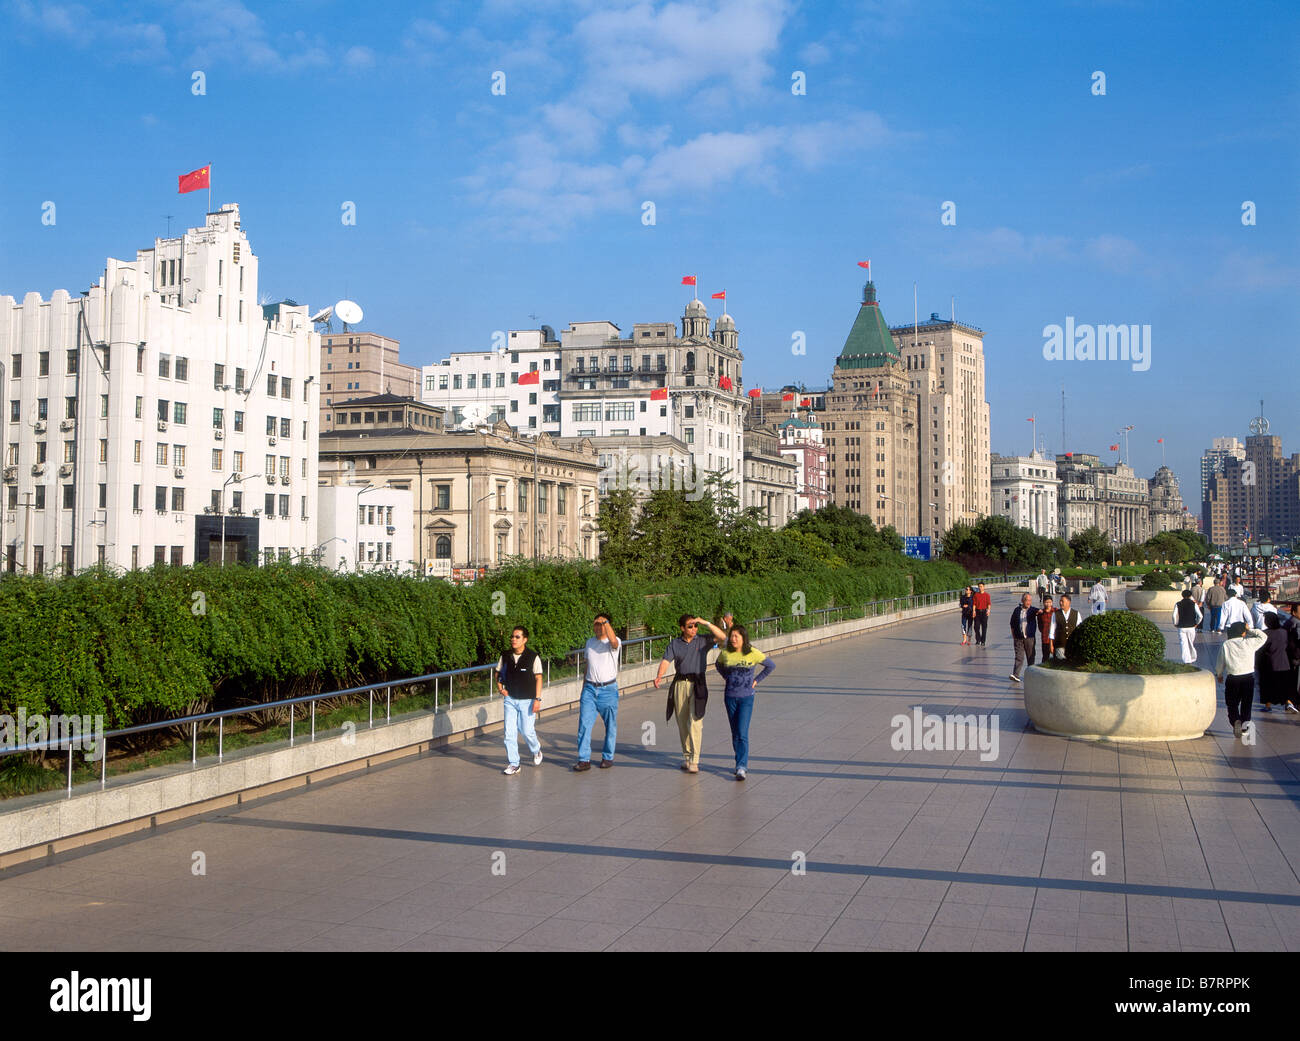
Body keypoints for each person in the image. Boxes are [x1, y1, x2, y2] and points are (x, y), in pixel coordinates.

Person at [654, 613, 726, 773]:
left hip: (698, 683)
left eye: (695, 626)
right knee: (682, 722)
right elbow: (666, 660)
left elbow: (722, 637)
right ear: (682, 628)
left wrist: (705, 622)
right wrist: (659, 675)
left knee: (695, 721)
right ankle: (687, 757)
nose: (694, 629)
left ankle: (695, 760)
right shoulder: (675, 644)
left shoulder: (702, 640)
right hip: (680, 683)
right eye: (690, 626)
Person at [714, 622, 776, 780]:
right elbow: (718, 665)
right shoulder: (726, 653)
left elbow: (770, 666)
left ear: (743, 638)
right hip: (730, 696)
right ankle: (738, 763)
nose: (733, 639)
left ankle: (742, 766)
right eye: (731, 636)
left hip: (746, 697)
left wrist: (756, 680)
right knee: (735, 732)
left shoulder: (753, 653)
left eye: (736, 636)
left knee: (742, 732)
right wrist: (726, 677)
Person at [574, 611, 621, 771]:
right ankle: (583, 759)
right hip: (590, 689)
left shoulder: (614, 642)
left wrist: (606, 622)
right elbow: (587, 665)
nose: (598, 627)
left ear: (608, 625)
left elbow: (614, 642)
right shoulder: (589, 643)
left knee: (610, 725)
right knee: (584, 725)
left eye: (601, 624)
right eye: (596, 624)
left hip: (608, 689)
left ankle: (608, 757)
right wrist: (583, 687)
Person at [497, 625, 543, 775]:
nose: (513, 639)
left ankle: (536, 751)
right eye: (512, 636)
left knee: (527, 731)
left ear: (525, 639)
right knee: (509, 733)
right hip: (510, 699)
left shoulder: (532, 656)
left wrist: (537, 699)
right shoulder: (505, 655)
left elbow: (539, 678)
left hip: (527, 700)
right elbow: (498, 673)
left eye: (517, 637)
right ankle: (514, 764)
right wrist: (500, 688)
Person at [1214, 622, 1265, 739]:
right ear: (1243, 632)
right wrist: (1250, 629)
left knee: (1232, 703)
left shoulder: (1226, 644)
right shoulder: (1249, 642)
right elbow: (1263, 637)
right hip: (1248, 678)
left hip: (1233, 678)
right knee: (1246, 704)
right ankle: (1245, 726)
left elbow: (1220, 661)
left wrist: (1219, 674)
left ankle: (1235, 720)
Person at [1257, 612, 1293, 713]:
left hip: (1269, 664)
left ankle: (1268, 705)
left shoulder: (1265, 634)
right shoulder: (1284, 632)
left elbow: (1260, 650)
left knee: (1267, 685)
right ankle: (1288, 703)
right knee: (1284, 685)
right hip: (1284, 663)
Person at [1008, 593, 1039, 683]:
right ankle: (1016, 675)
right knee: (1019, 657)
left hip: (1029, 638)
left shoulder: (1033, 610)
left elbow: (1041, 612)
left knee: (1030, 657)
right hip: (1018, 638)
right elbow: (1012, 623)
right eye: (1027, 600)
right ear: (1022, 601)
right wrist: (1014, 635)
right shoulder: (1017, 610)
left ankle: (1031, 674)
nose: (1029, 602)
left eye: (1030, 600)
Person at [1171, 589, 1203, 665]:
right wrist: (1197, 623)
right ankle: (1192, 657)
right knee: (1190, 643)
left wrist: (1175, 623)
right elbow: (1200, 616)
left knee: (1183, 643)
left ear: (1182, 595)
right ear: (1190, 596)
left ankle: (1186, 660)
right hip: (1191, 626)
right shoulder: (1193, 604)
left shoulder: (1178, 604)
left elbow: (1174, 615)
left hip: (1181, 627)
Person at [1054, 594, 1081, 659]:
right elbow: (1052, 631)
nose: (1060, 603)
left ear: (1068, 602)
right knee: (1061, 663)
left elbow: (1079, 630)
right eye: (1060, 601)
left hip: (1072, 645)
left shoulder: (1076, 613)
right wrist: (1051, 645)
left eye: (1062, 601)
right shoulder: (1055, 614)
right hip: (1060, 644)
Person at [1037, 595, 1057, 661]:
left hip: (1055, 638)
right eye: (1046, 602)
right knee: (1045, 657)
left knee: (1056, 657)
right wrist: (1043, 631)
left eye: (1050, 602)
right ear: (1043, 603)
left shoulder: (1056, 611)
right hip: (1045, 638)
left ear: (1052, 602)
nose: (1048, 604)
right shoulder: (1041, 613)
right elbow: (1040, 625)